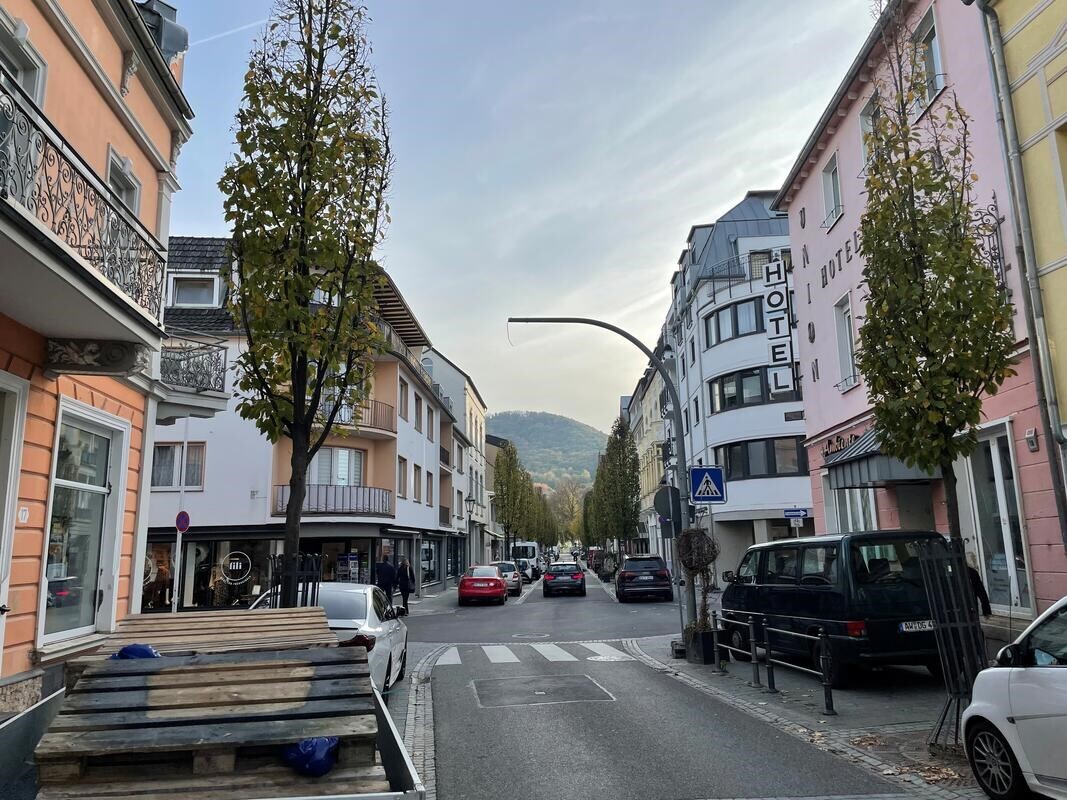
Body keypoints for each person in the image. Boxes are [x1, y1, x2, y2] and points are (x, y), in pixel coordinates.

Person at [967, 552, 993, 618]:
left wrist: (986, 611)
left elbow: (981, 592)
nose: (975, 560)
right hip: (971, 607)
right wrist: (986, 611)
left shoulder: (971, 572)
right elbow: (981, 592)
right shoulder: (972, 572)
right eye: (974, 558)